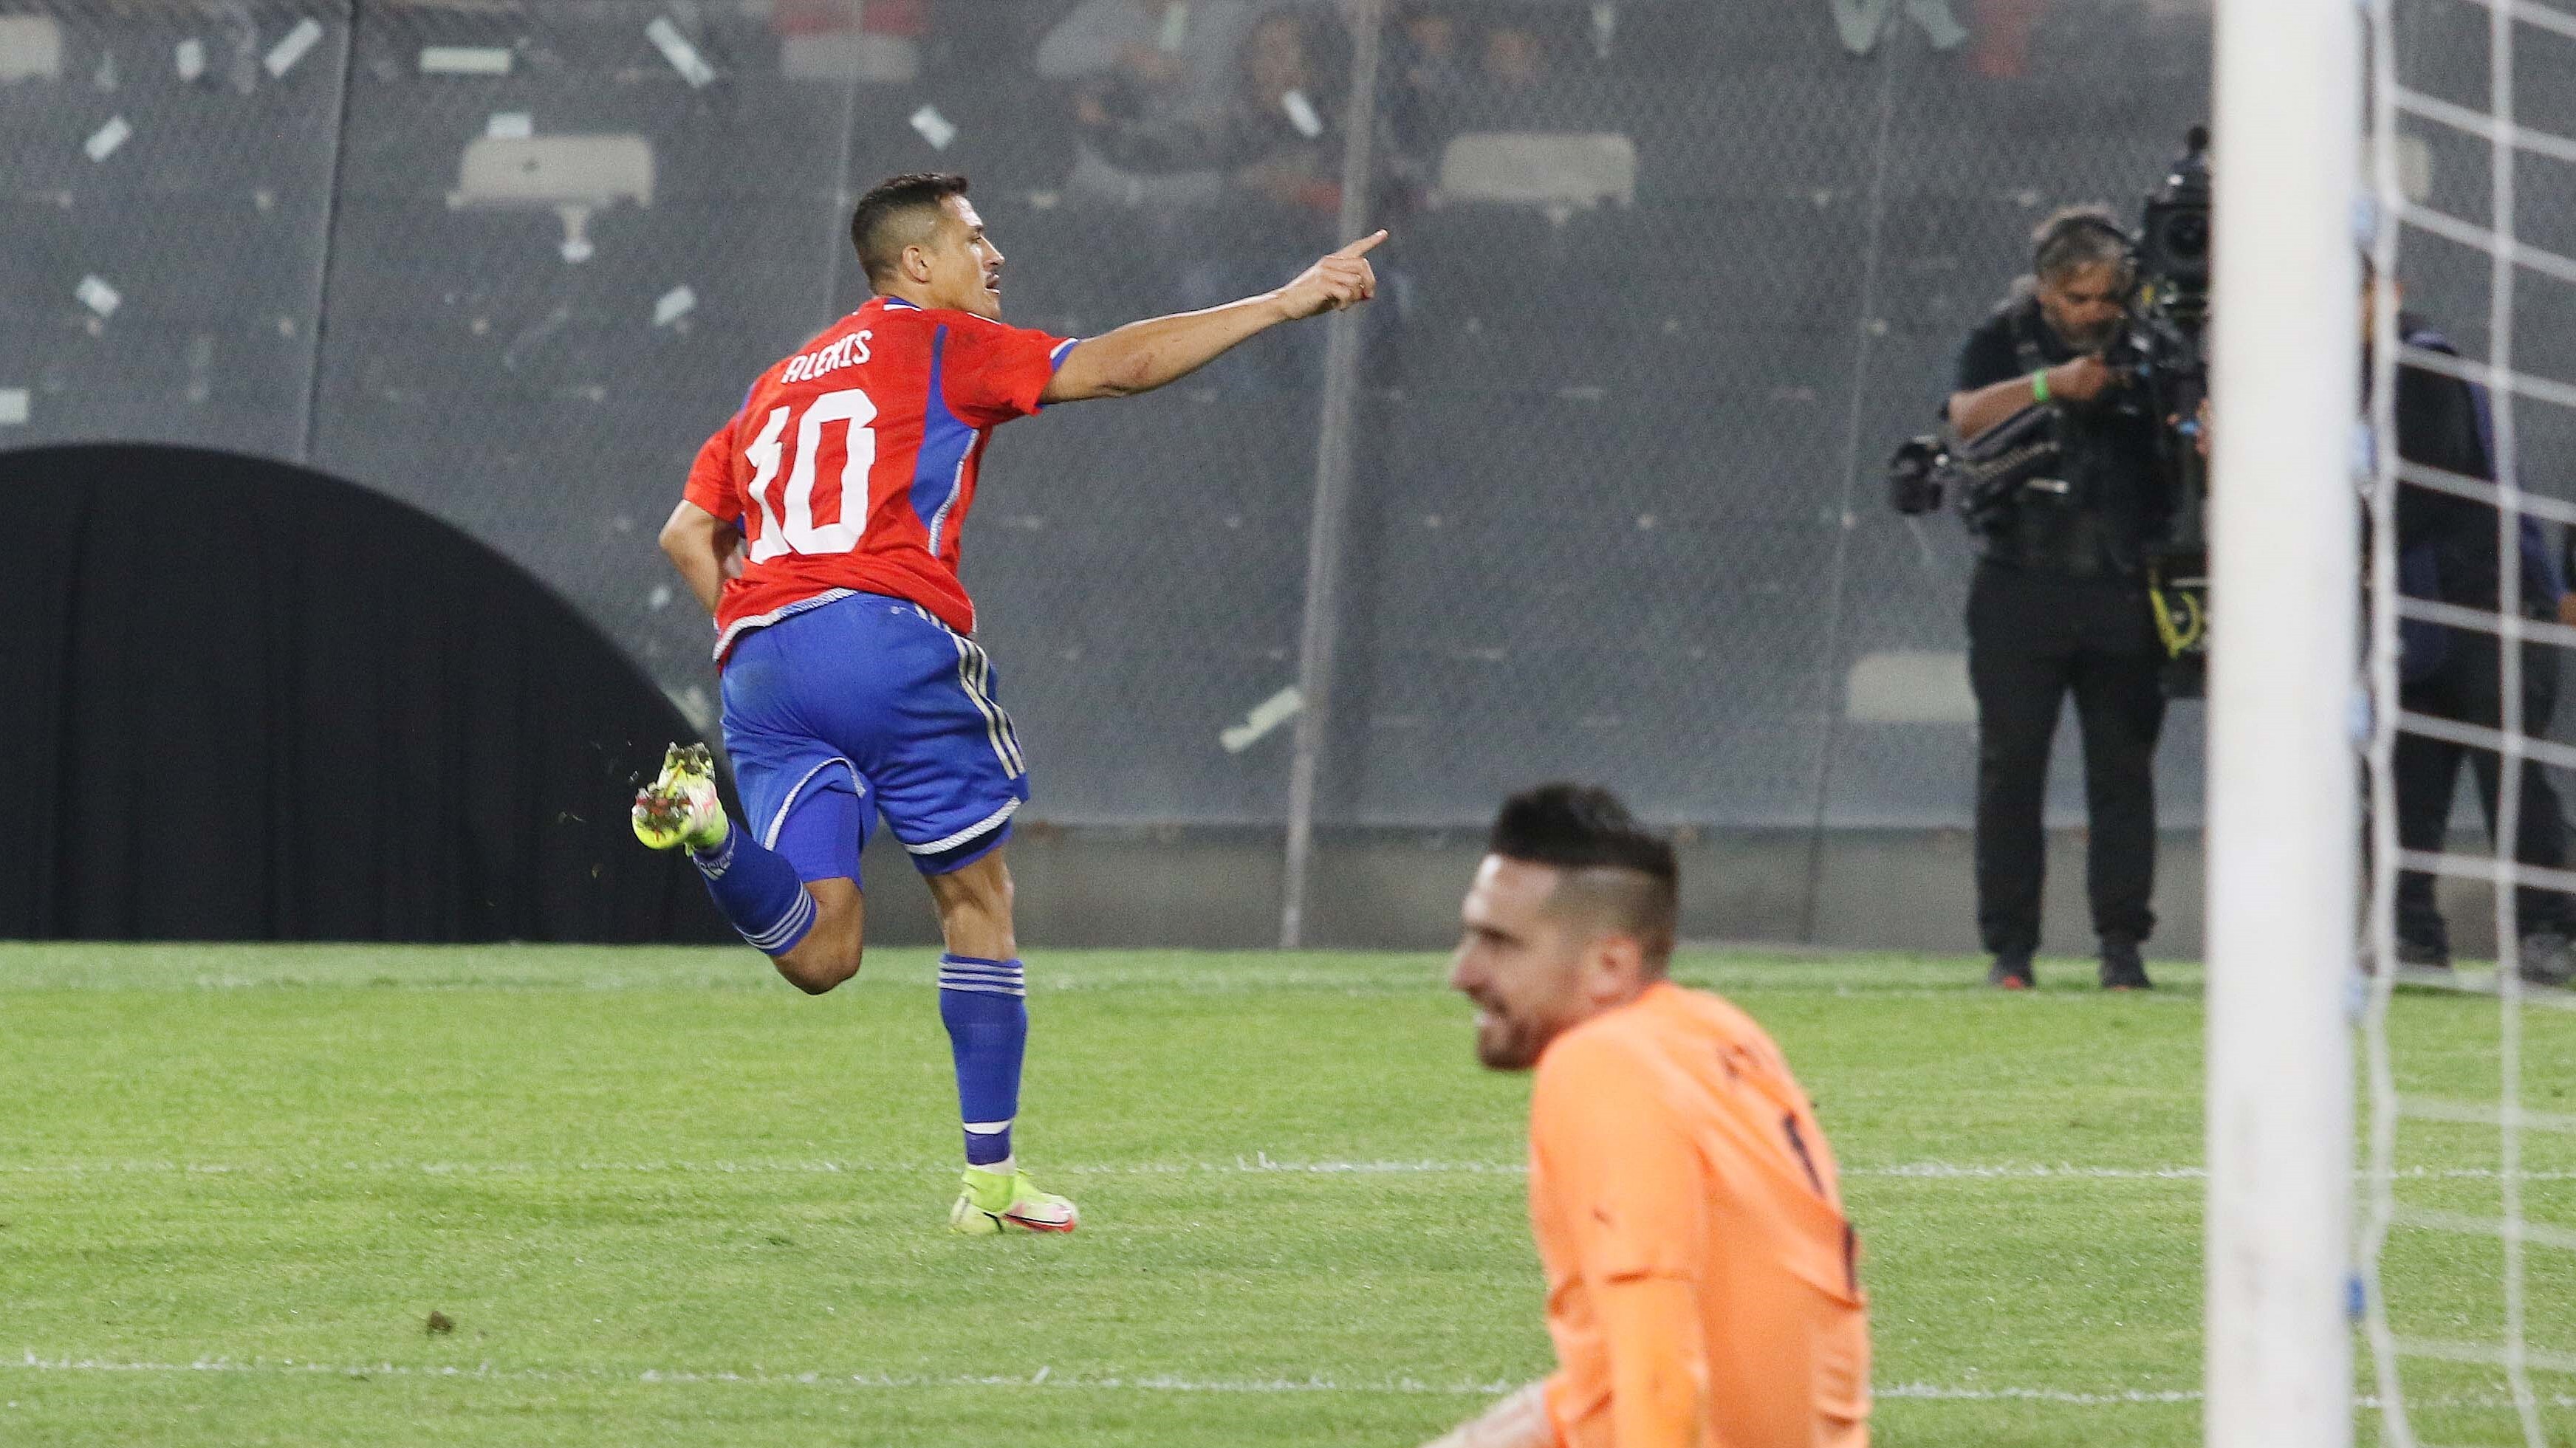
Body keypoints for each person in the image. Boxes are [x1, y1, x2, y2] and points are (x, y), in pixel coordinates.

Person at [634, 172, 1384, 1234]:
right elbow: (1119, 370)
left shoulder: (777, 383)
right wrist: (1284, 299)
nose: (995, 257)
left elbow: (683, 533)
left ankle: (705, 828)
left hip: (760, 659)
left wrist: (765, 630)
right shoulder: (935, 342)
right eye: (974, 238)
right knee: (976, 903)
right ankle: (990, 1185)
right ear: (916, 266)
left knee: (821, 952)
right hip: (886, 639)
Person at [1425, 784, 1870, 1448]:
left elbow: (1659, 1368)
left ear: (1610, 964)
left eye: (1499, 942)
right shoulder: (1723, 1034)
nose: (1462, 972)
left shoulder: (1600, 1063)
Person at [1945, 205, 2171, 991]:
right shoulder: (1998, 338)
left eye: (2105, 298)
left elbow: (2189, 436)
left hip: (2120, 584)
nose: (2093, 314)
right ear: (2045, 291)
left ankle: (2121, 944)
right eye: (2077, 298)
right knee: (2011, 767)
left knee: (2122, 771)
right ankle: (2011, 949)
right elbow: (1961, 417)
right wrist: (2050, 385)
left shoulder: (2152, 347)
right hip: (2020, 578)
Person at [2378, 274, 2576, 984]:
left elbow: (2427, 489)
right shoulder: (2353, 373)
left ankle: (2550, 933)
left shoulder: (2423, 363)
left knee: (2512, 775)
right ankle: (2411, 937)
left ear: (2387, 290)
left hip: (2492, 607)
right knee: (2406, 773)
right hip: (2424, 611)